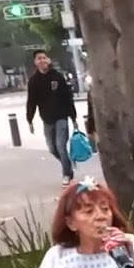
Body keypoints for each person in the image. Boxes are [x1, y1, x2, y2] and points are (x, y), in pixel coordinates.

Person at [25, 50, 78, 185]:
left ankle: (66, 174)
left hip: (61, 117)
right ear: (35, 62)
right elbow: (31, 101)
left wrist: (73, 117)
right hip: (47, 119)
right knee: (52, 149)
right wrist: (29, 120)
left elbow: (67, 97)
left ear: (48, 60)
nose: (42, 60)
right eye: (39, 58)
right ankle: (68, 166)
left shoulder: (57, 77)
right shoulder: (33, 81)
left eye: (44, 58)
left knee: (61, 145)